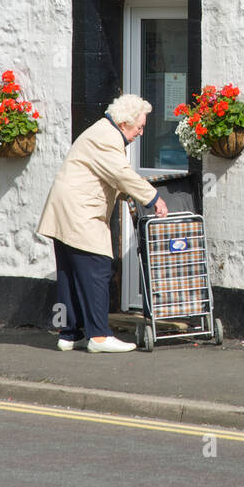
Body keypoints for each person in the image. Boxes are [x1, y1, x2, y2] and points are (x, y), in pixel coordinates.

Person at [37, 94, 168, 352]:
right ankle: (98, 337)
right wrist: (153, 198)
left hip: (65, 210)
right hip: (80, 212)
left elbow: (105, 175)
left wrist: (124, 194)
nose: (141, 132)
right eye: (139, 127)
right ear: (123, 123)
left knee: (69, 274)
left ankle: (68, 334)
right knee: (98, 267)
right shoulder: (107, 138)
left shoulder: (101, 131)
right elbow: (121, 173)